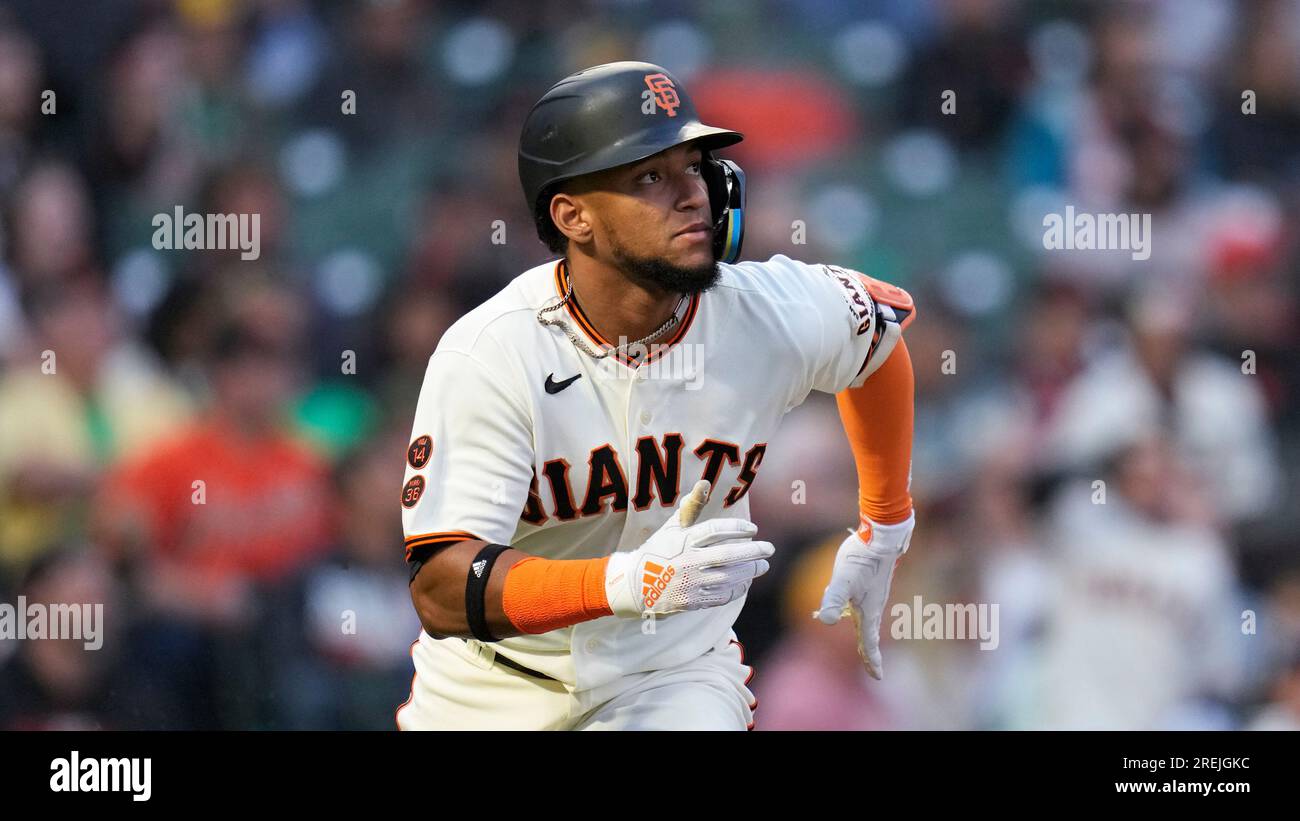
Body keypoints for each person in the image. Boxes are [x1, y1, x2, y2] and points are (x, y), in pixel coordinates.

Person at [398, 62, 917, 730]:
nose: (693, 193)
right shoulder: (493, 353)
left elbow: (877, 339)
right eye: (649, 176)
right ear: (572, 215)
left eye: (695, 167)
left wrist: (885, 522)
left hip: (673, 674)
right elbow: (442, 586)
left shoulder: (767, 311)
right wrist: (623, 582)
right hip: (494, 685)